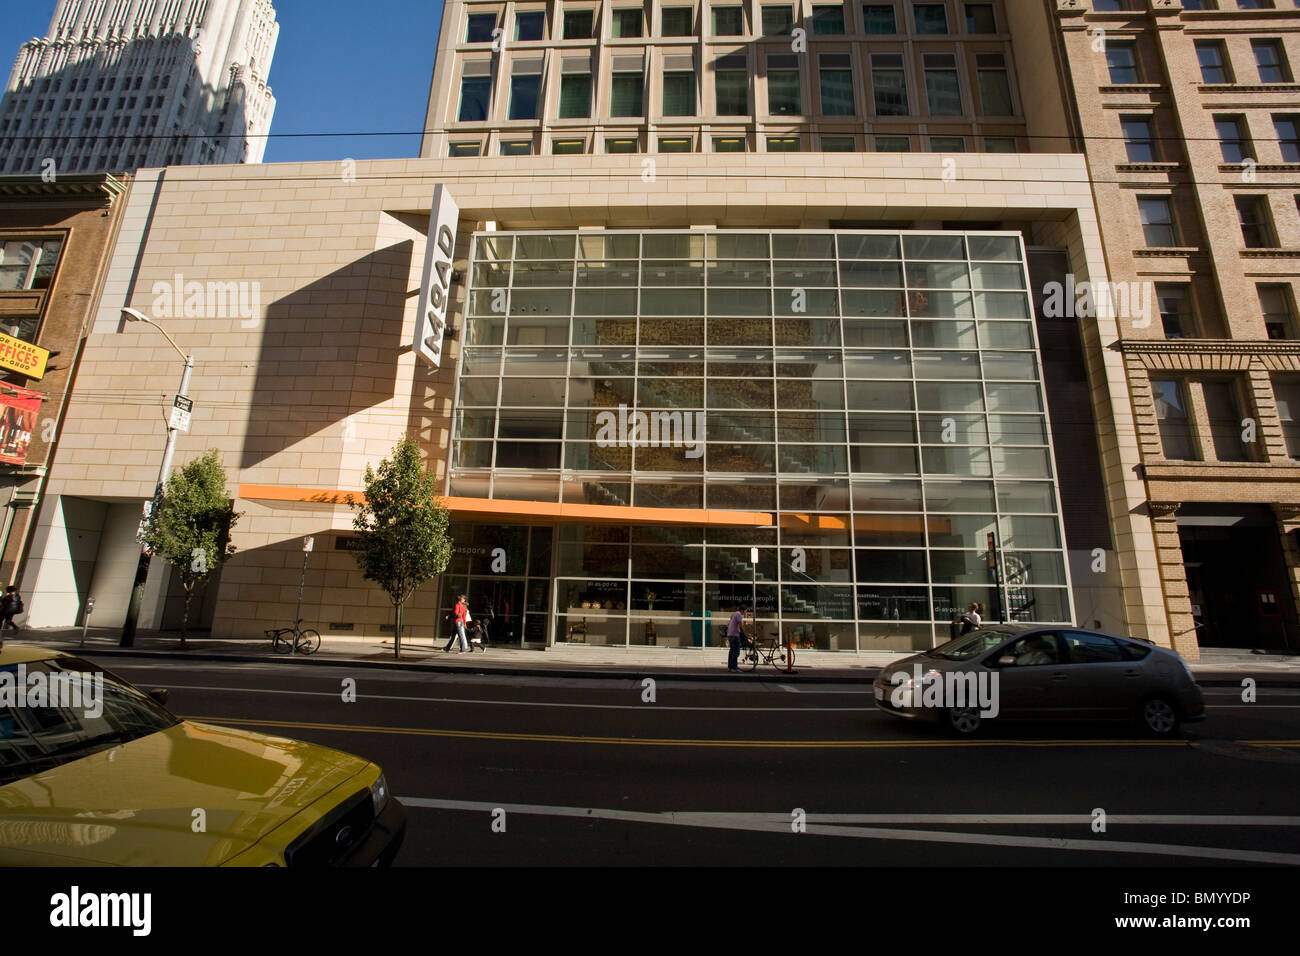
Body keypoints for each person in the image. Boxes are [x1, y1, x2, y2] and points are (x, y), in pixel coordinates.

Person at [726, 603, 748, 672]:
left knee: (732, 651)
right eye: (745, 611)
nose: (745, 612)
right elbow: (740, 625)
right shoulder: (739, 614)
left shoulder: (734, 614)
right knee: (736, 651)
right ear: (742, 610)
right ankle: (734, 667)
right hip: (734, 635)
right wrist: (744, 633)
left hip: (730, 634)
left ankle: (730, 667)